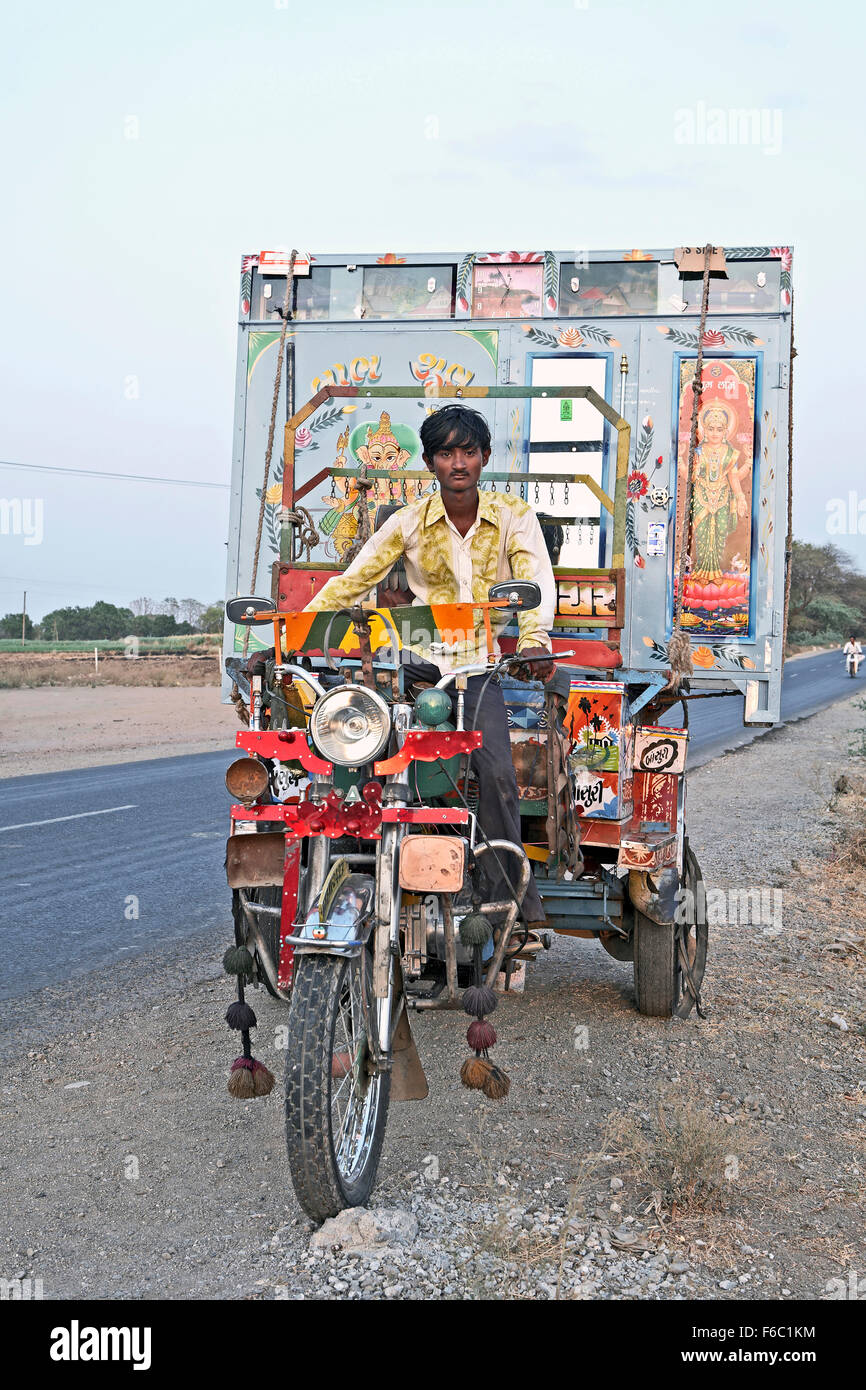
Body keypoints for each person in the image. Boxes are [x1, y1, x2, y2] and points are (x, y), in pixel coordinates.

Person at [302, 403, 557, 929]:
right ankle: (355, 871)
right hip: (418, 663)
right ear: (430, 461)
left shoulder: (514, 516)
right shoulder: (408, 521)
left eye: (468, 452)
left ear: (484, 458)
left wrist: (533, 642)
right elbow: (352, 581)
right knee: (356, 751)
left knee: (497, 772)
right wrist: (293, 633)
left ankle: (510, 901)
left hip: (480, 665)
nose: (458, 463)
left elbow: (535, 588)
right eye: (446, 453)